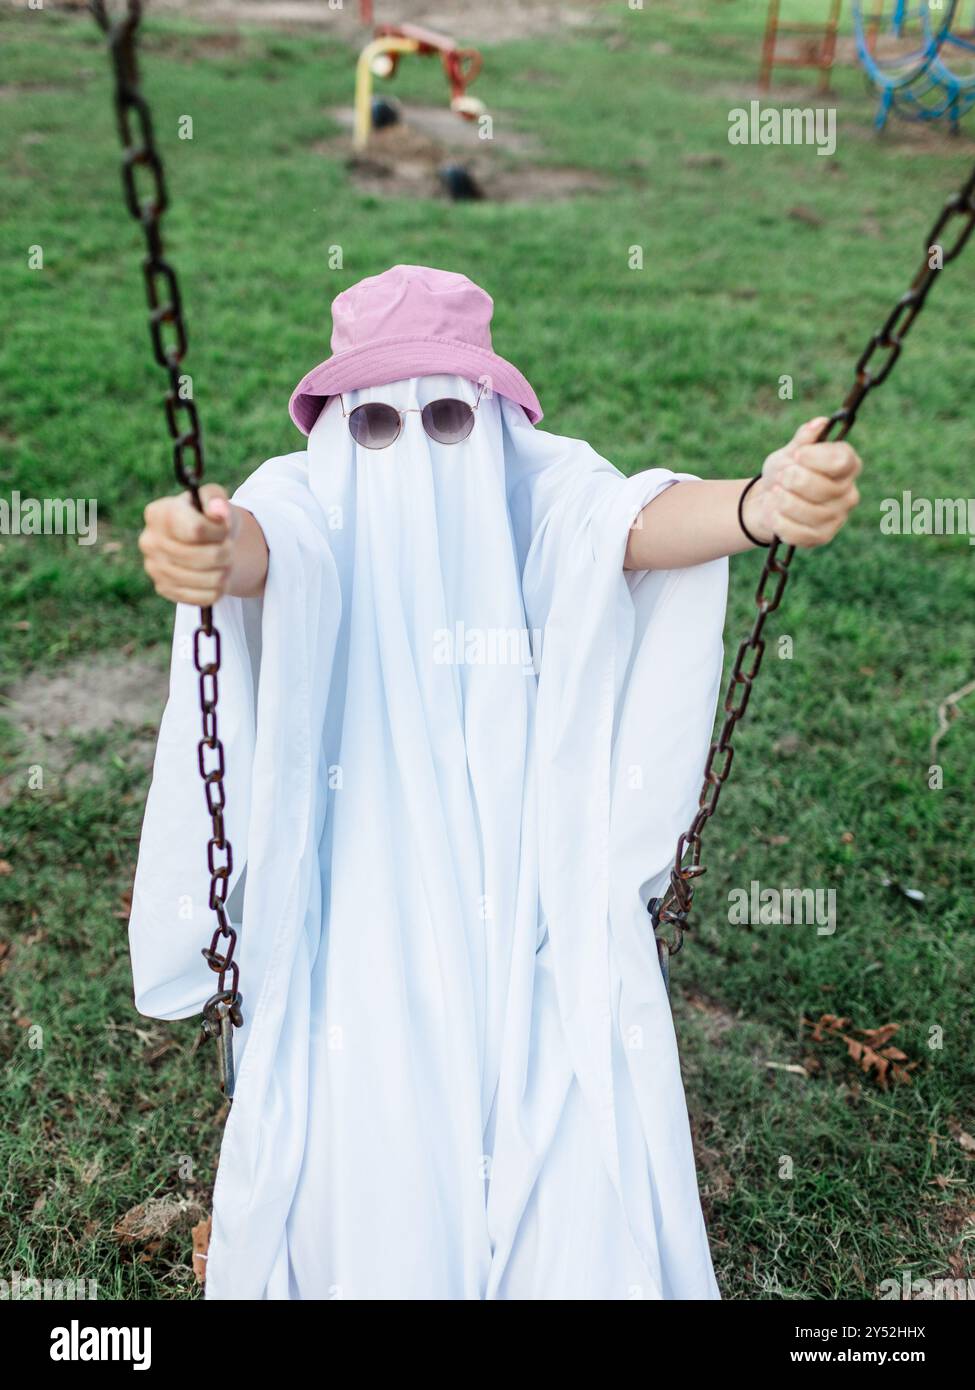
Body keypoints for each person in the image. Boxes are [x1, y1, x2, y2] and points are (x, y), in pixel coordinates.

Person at [131, 265, 860, 1301]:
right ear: (336, 427)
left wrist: (759, 502)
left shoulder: (540, 489)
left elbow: (639, 525)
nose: (416, 453)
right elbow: (257, 546)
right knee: (367, 1142)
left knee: (569, 1119)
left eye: (446, 419)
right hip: (359, 887)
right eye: (377, 423)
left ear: (495, 419)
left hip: (528, 881)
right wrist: (205, 543)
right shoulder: (304, 496)